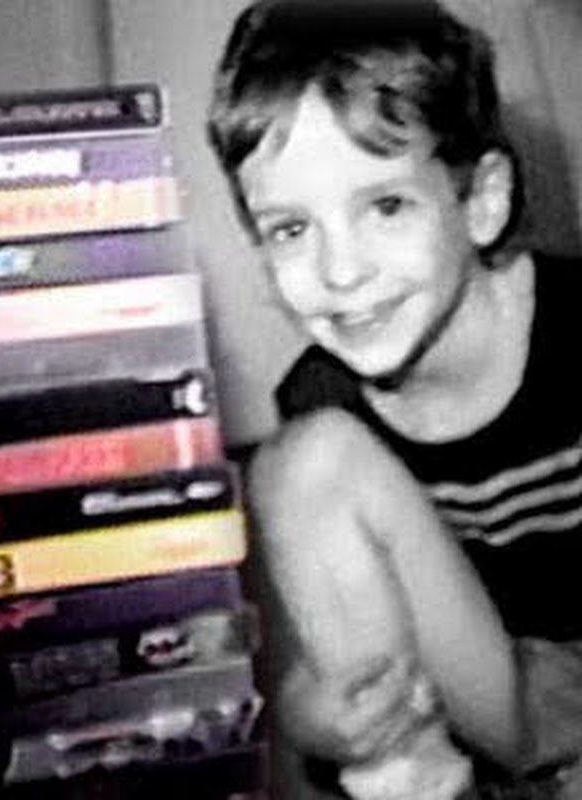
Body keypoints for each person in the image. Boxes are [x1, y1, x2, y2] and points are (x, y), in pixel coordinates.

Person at [207, 0, 582, 796]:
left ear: (481, 201)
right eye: (291, 229)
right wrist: (314, 715)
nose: (341, 272)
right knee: (301, 463)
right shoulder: (320, 403)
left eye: (386, 206)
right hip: (492, 727)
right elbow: (350, 644)